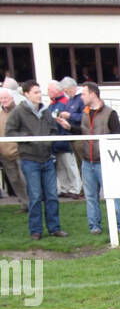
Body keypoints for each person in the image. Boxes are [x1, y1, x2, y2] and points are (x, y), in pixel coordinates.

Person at [4, 80, 69, 238]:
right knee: (35, 196)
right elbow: (10, 132)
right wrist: (26, 137)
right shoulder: (19, 112)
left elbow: (53, 129)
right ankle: (36, 230)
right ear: (26, 94)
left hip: (47, 158)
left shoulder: (45, 111)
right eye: (35, 92)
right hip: (29, 159)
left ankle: (54, 228)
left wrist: (50, 140)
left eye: (40, 92)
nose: (39, 95)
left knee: (52, 196)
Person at [75, 82, 120, 234]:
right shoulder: (85, 113)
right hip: (87, 162)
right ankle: (94, 227)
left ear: (93, 94)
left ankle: (118, 226)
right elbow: (84, 132)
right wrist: (69, 127)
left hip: (104, 162)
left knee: (113, 195)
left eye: (83, 93)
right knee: (90, 197)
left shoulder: (110, 113)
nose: (81, 97)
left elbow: (117, 136)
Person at [47, 79, 83, 196]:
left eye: (66, 90)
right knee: (63, 166)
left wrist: (69, 116)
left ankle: (76, 189)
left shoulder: (76, 100)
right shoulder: (63, 102)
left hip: (72, 137)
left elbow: (83, 117)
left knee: (71, 166)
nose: (66, 93)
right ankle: (66, 188)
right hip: (63, 137)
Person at [0, 87, 29, 208]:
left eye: (5, 98)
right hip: (5, 155)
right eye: (1, 98)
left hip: (20, 153)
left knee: (25, 181)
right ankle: (24, 205)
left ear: (12, 98)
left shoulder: (20, 112)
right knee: (14, 181)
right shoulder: (0, 115)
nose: (3, 100)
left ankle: (32, 205)